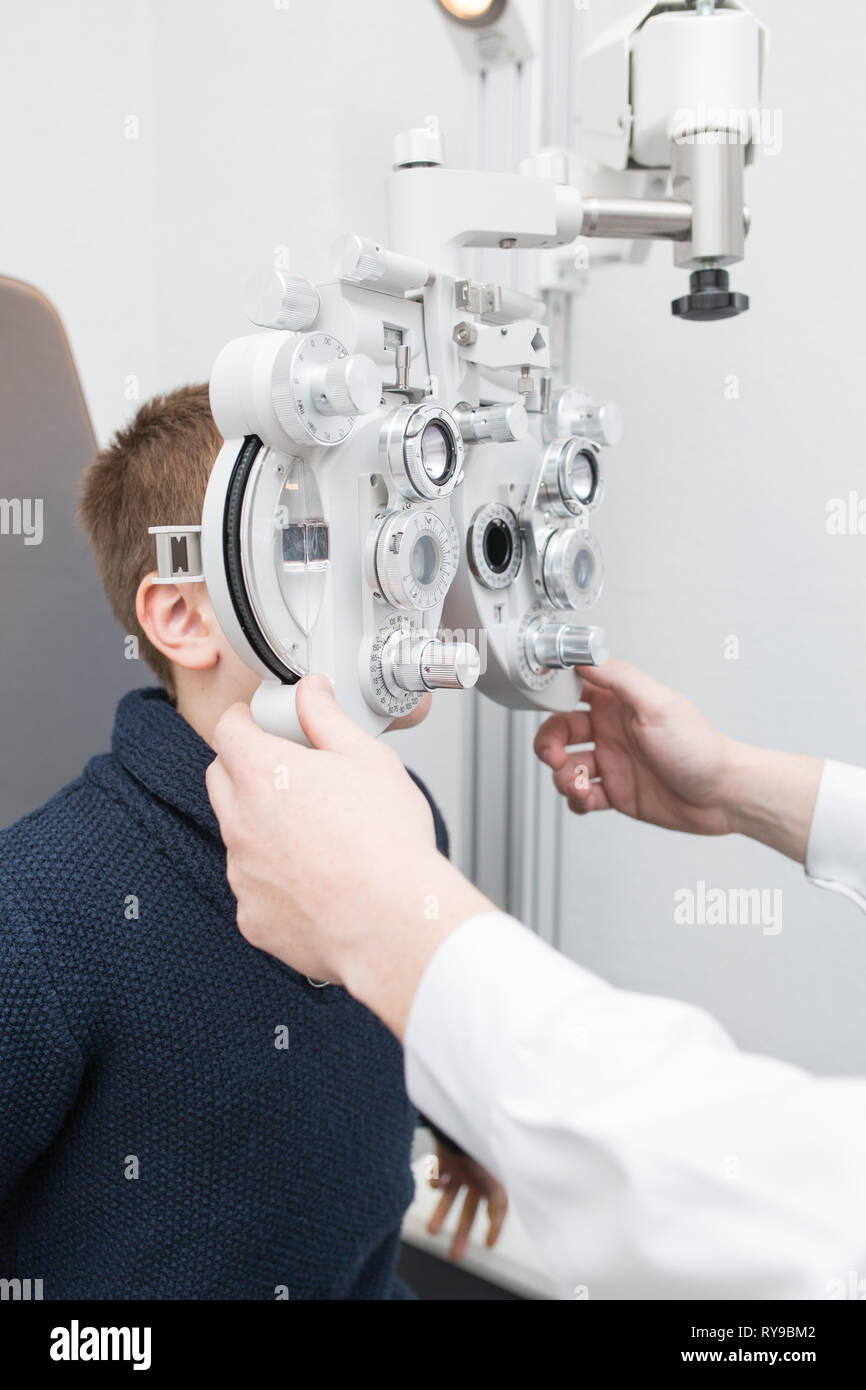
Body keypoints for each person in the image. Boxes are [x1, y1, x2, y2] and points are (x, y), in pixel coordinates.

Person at [0, 384, 503, 1302]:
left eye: (388, 533)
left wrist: (466, 1124)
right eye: (317, 542)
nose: (395, 584)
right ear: (185, 617)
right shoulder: (40, 913)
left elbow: (403, 997)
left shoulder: (401, 813)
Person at [205, 664, 866, 1299]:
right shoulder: (103, 879)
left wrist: (385, 914)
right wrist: (729, 781)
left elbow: (772, 1224)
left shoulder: (408, 823)